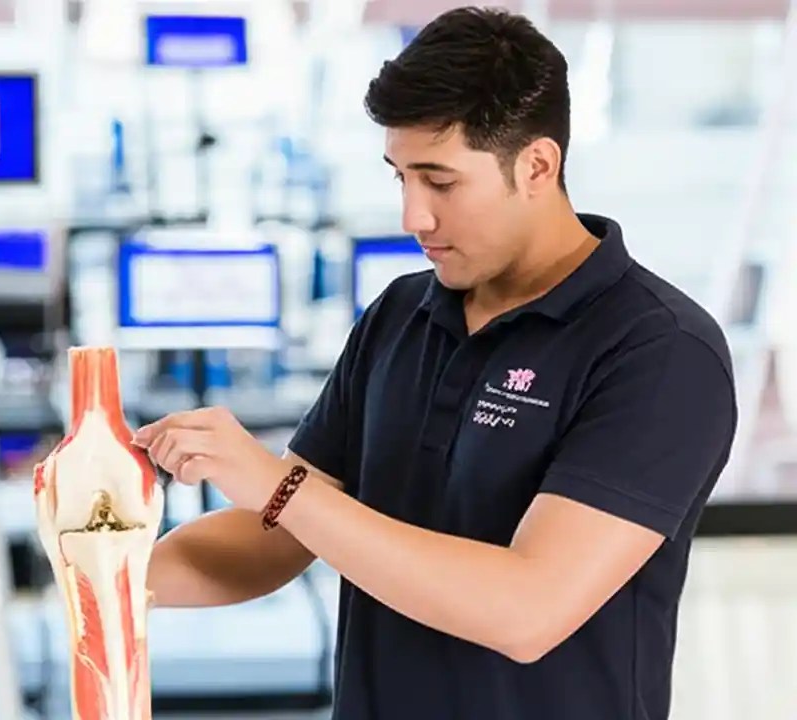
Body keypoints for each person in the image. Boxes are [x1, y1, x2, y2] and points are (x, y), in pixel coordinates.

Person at [131, 7, 738, 720]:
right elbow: (274, 543)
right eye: (400, 178)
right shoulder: (400, 314)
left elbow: (526, 610)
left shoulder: (659, 350)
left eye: (440, 182)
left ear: (538, 165)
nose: (413, 217)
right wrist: (104, 563)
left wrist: (275, 481)